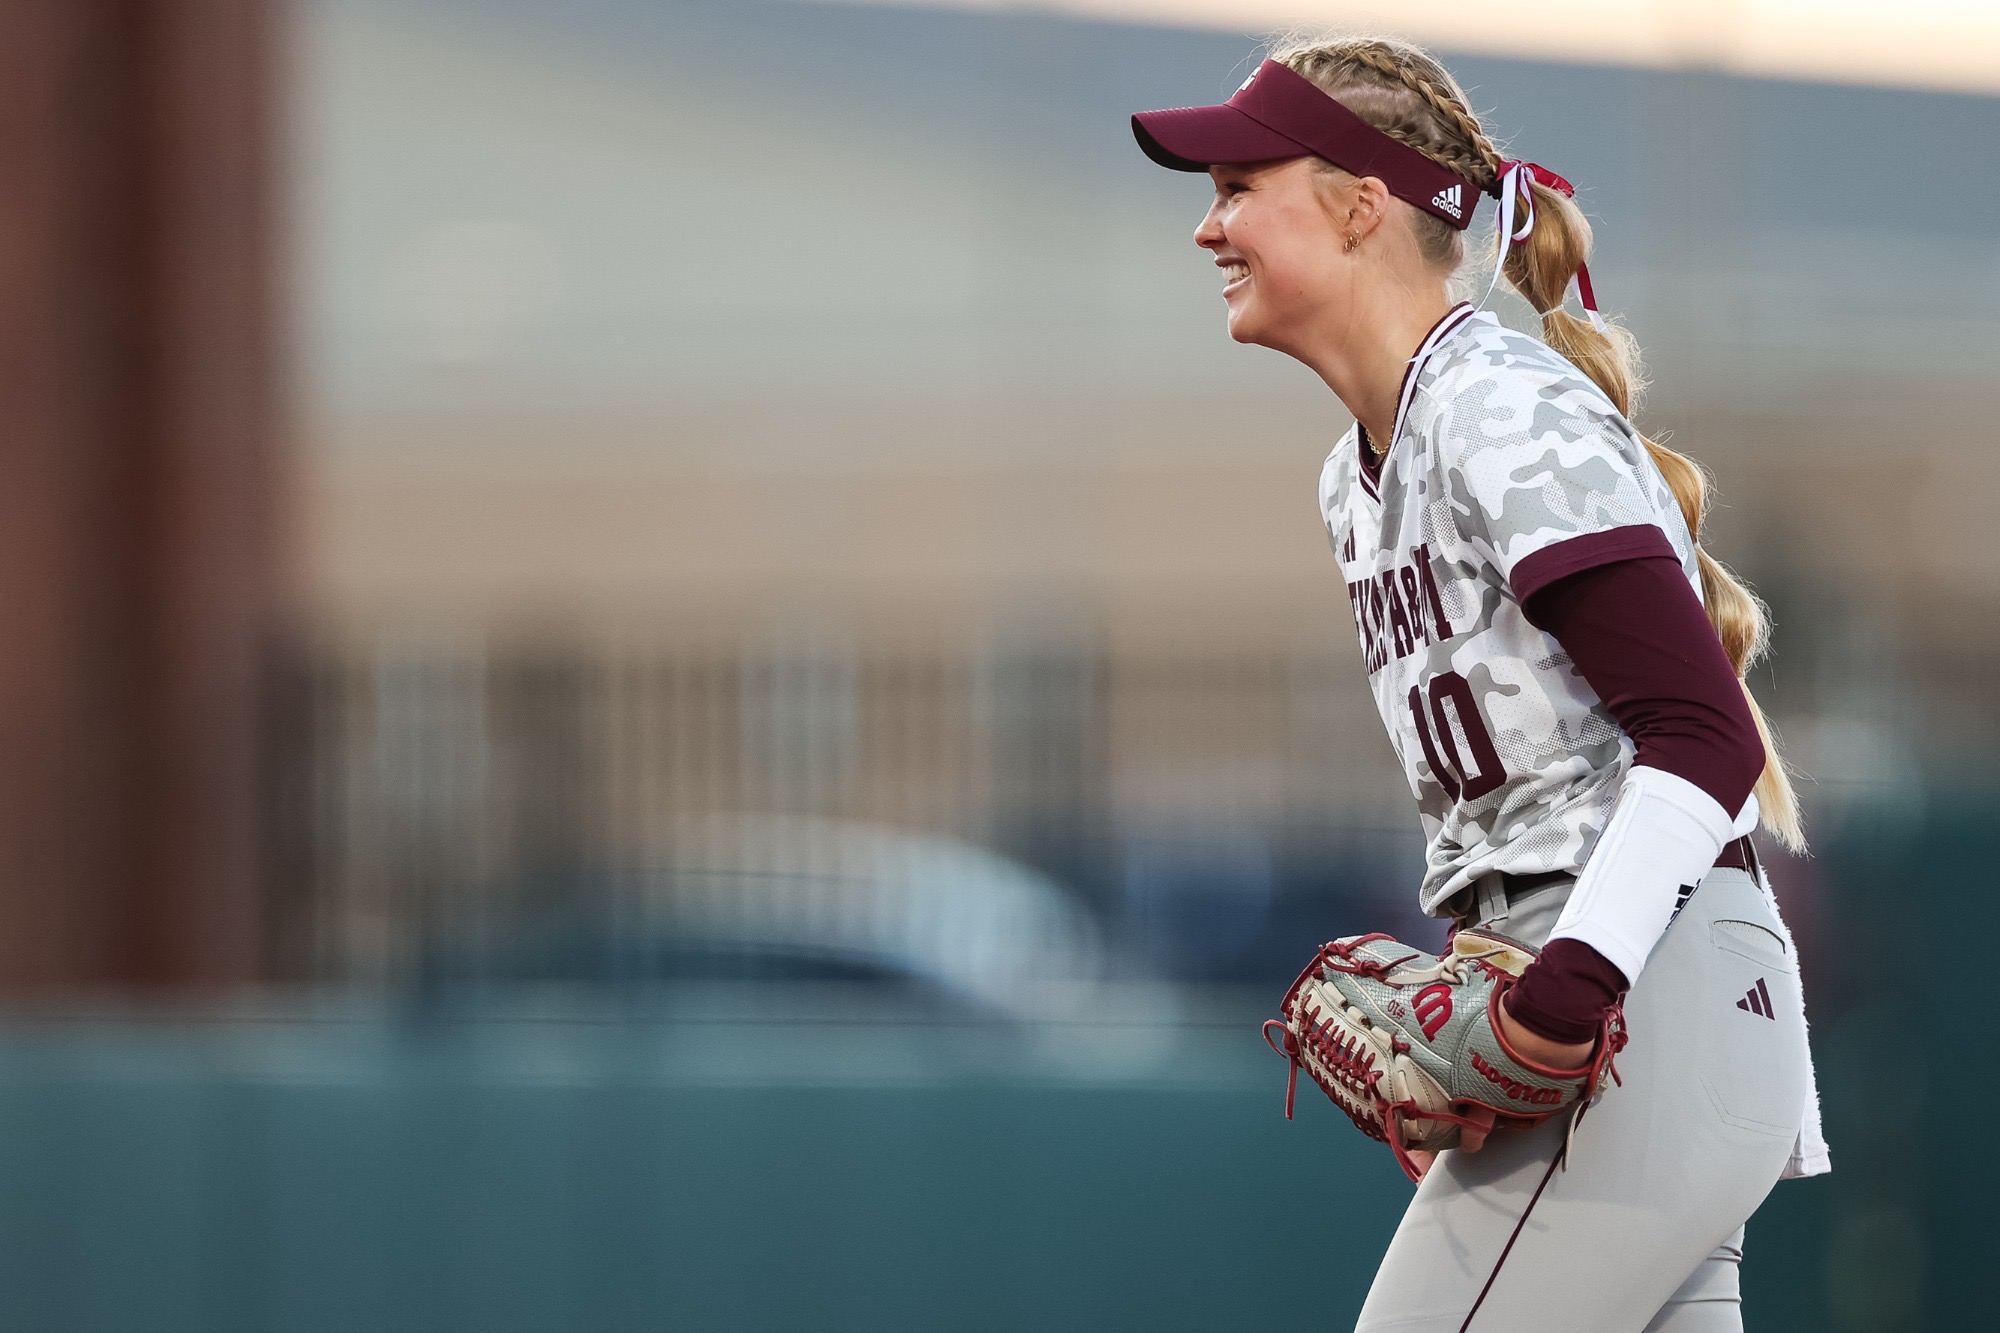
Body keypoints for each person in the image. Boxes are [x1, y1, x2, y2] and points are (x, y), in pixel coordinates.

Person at [1131, 37, 1829, 1332]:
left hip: (1635, 999)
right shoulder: (1357, 473)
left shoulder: (1496, 407)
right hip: (1647, 1005)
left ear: (1360, 204)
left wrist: (1564, 993)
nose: (1205, 224)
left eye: (1237, 183)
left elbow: (1701, 734)